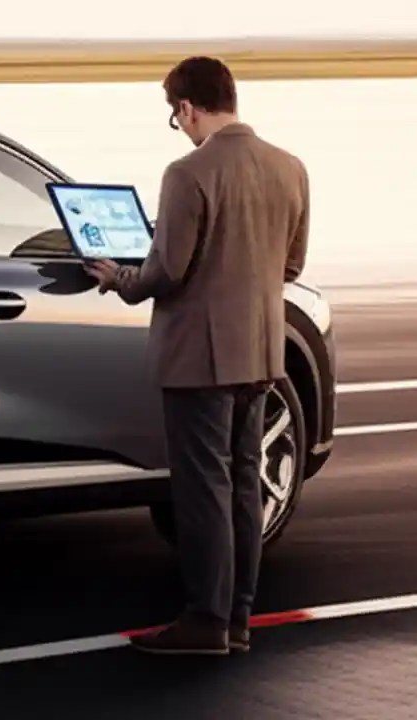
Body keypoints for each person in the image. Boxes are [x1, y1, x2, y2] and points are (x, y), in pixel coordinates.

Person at [84, 56, 310, 655]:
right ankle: (236, 619)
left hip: (199, 359)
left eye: (174, 114)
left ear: (187, 107)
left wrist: (118, 278)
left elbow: (167, 272)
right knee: (242, 485)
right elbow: (291, 266)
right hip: (262, 352)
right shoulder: (290, 168)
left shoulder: (188, 173)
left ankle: (205, 621)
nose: (178, 125)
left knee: (203, 489)